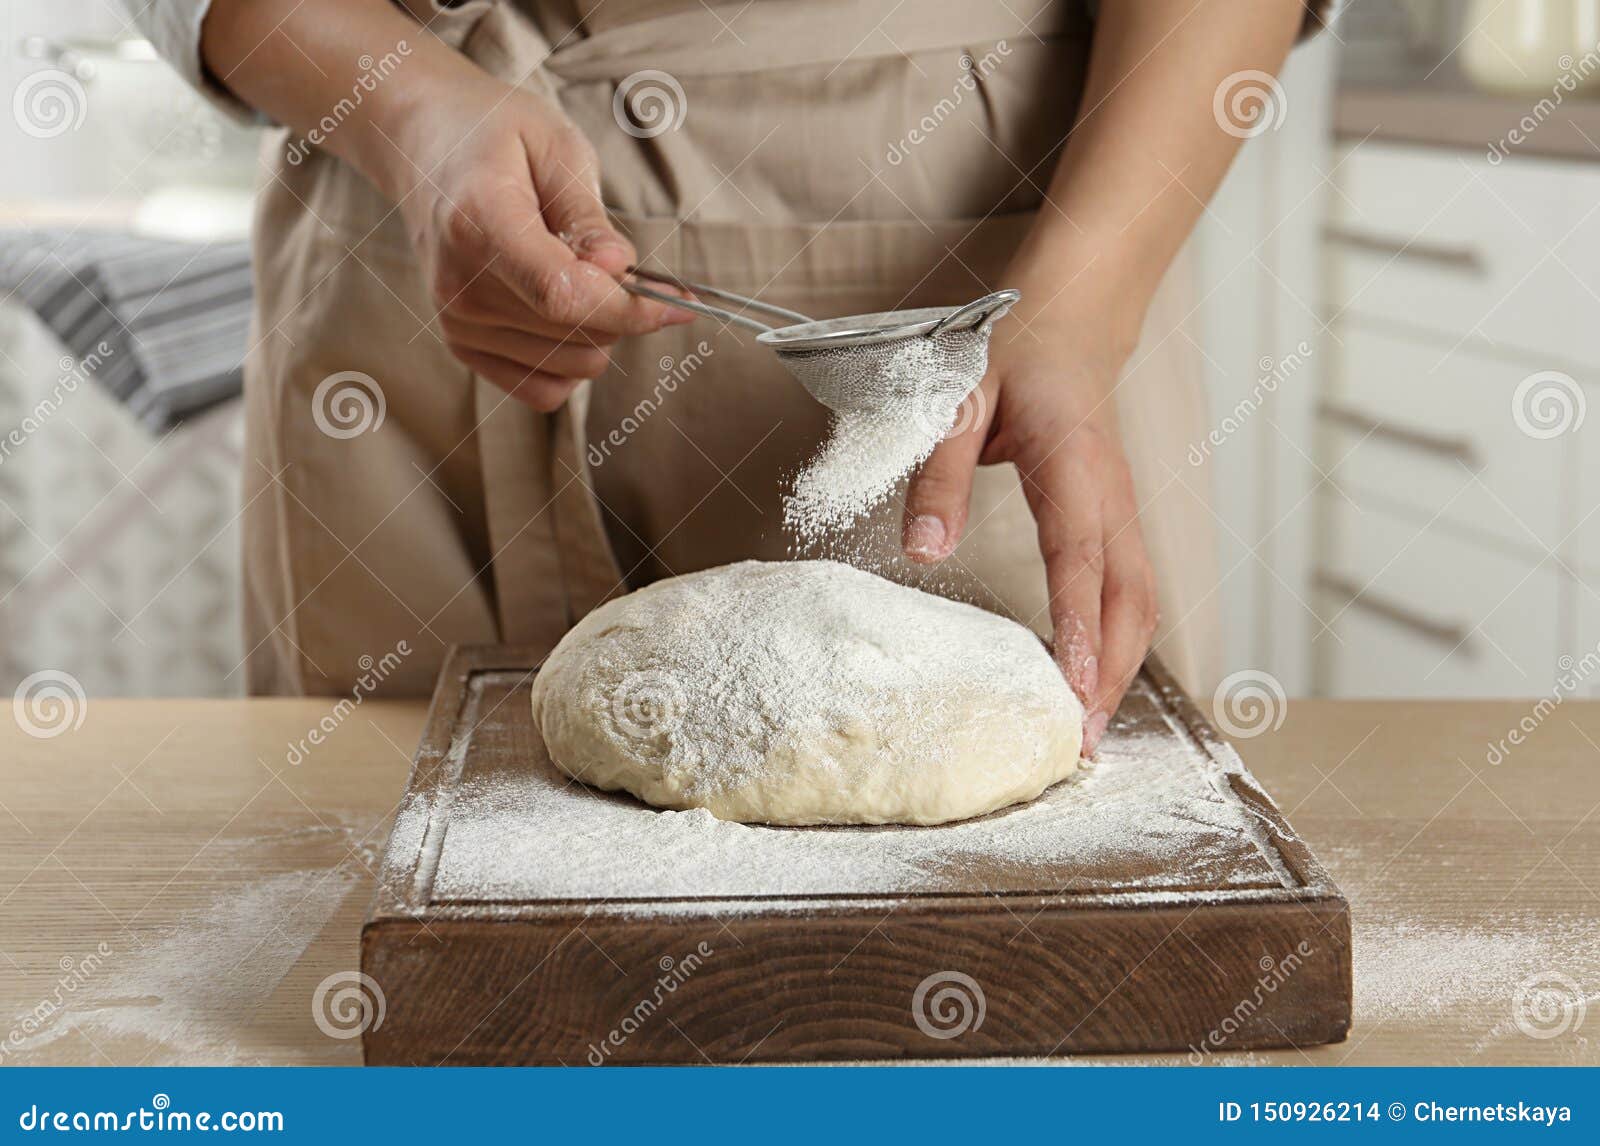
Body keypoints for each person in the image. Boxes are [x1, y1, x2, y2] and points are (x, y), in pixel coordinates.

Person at [126, 0, 1320, 754]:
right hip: (408, 224)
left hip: (972, 263)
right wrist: (407, 111)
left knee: (1000, 975)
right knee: (402, 967)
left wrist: (1072, 309)